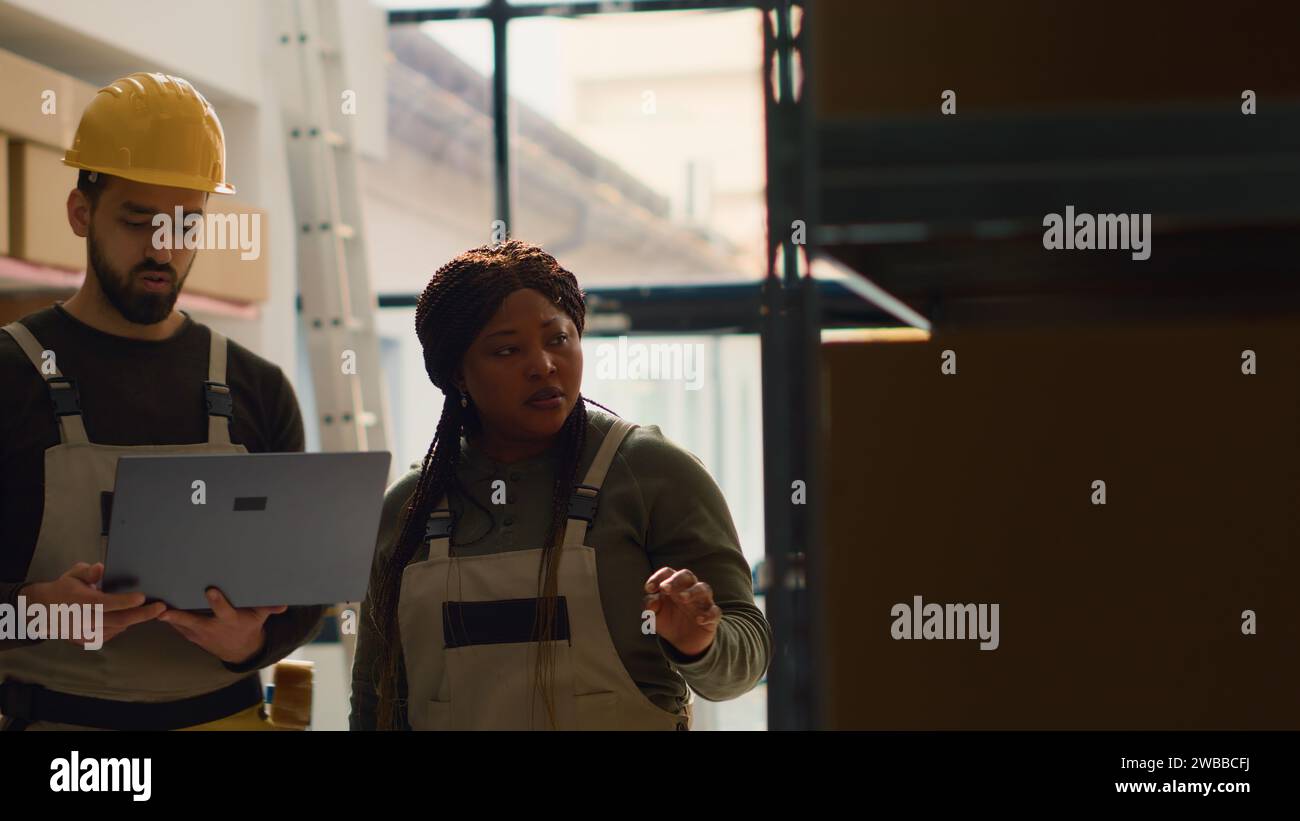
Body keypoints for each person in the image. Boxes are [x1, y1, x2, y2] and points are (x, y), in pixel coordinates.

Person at [0, 72, 324, 730]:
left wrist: (252, 643)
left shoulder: (257, 389)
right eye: (138, 220)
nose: (163, 248)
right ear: (80, 213)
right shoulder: (9, 377)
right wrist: (35, 610)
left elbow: (302, 591)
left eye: (185, 223)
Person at [350, 240, 771, 730]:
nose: (543, 366)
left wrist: (700, 643)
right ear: (457, 373)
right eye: (507, 350)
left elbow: (745, 664)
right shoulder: (409, 509)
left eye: (558, 339)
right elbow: (374, 697)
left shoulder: (651, 473)